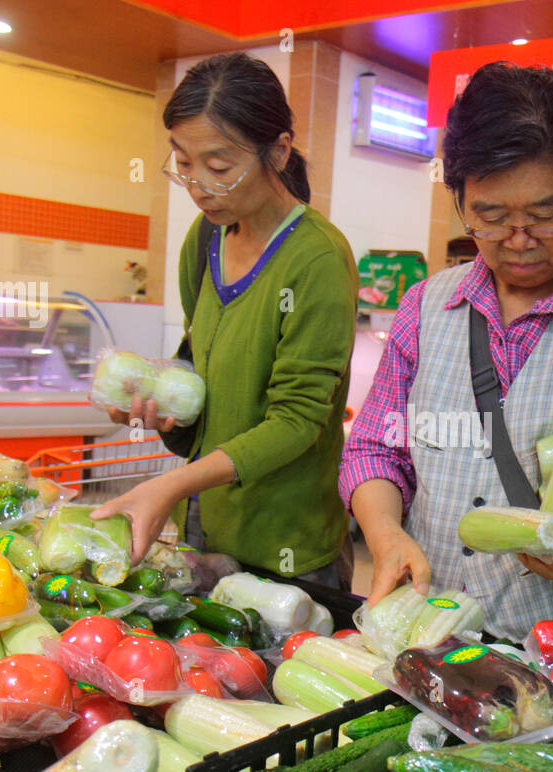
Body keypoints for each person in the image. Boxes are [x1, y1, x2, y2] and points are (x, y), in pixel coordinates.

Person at [341, 63, 553, 643]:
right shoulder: (425, 306)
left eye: (545, 214)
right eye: (491, 217)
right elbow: (375, 448)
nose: (519, 240)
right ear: (459, 197)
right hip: (425, 631)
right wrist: (386, 533)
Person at [91, 53, 357, 589]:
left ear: (278, 152)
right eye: (183, 164)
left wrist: (170, 485)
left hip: (288, 543)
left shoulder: (318, 259)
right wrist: (165, 409)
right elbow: (201, 368)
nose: (198, 187)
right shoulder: (206, 238)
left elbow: (298, 421)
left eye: (218, 167)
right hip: (205, 521)